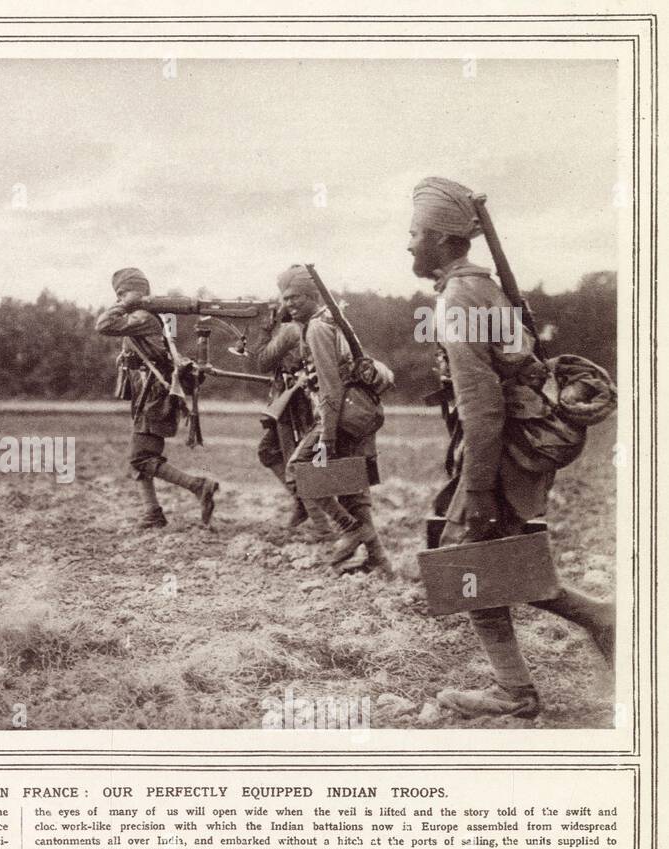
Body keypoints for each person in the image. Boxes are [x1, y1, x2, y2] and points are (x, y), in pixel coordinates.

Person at [408, 176, 615, 718]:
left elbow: (483, 407)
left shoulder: (458, 297)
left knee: (467, 558)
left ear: (445, 240)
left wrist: (476, 487)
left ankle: (518, 688)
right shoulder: (484, 289)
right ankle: (598, 625)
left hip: (501, 451)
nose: (408, 244)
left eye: (415, 233)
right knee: (492, 558)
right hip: (517, 448)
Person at [278, 266, 389, 573]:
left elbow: (330, 385)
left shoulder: (316, 328)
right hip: (357, 414)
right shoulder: (330, 318)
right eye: (285, 299)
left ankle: (349, 528)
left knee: (297, 471)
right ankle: (380, 562)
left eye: (295, 297)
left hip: (337, 417)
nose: (289, 304)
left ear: (312, 295)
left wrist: (326, 436)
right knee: (352, 487)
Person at [94, 267, 218, 529]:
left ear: (140, 292)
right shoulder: (146, 316)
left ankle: (198, 486)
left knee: (140, 457)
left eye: (123, 293)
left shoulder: (143, 316)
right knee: (141, 454)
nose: (119, 298)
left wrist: (125, 305)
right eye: (118, 294)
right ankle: (152, 513)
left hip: (154, 395)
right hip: (146, 394)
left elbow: (103, 325)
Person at [246, 303, 324, 535]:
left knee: (294, 462)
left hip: (293, 403)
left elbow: (262, 362)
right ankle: (302, 503)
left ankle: (323, 528)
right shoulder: (305, 326)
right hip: (294, 399)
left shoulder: (290, 331)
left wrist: (264, 330)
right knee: (269, 451)